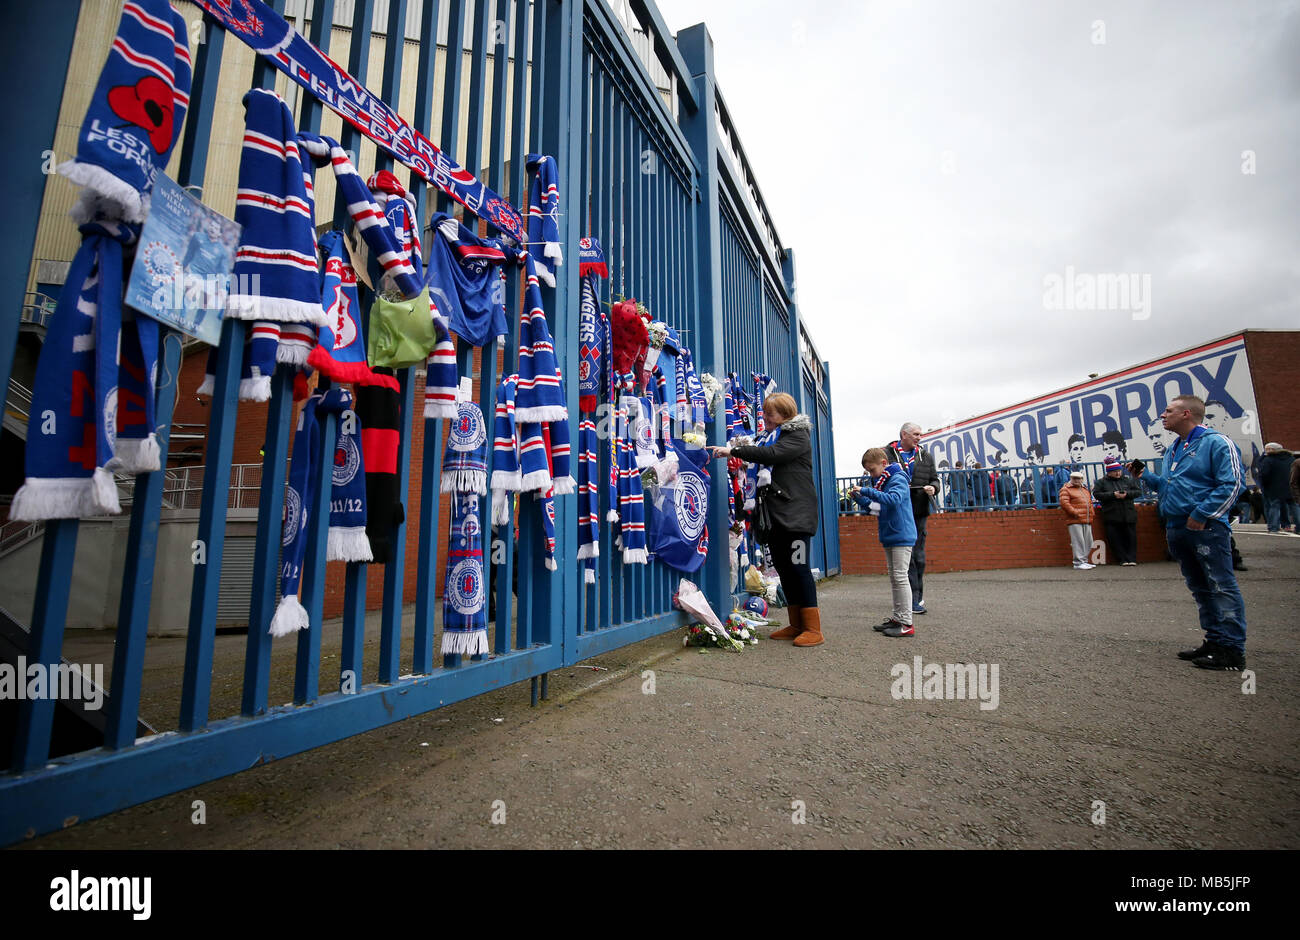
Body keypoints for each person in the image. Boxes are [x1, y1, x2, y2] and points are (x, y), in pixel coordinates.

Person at [1133, 394, 1247, 670]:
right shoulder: (1175, 448)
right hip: (1176, 526)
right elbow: (1170, 487)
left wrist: (1202, 514)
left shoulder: (1216, 443)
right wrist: (1146, 477)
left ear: (1186, 414)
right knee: (1200, 586)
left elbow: (1232, 484)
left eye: (1169, 410)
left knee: (1220, 584)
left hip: (1205, 528)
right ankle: (1215, 639)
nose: (1163, 415)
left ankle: (1232, 649)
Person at [709, 392, 823, 647]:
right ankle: (796, 624)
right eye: (764, 412)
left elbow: (770, 455)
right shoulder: (770, 437)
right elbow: (764, 452)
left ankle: (813, 629)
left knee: (799, 569)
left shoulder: (796, 436)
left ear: (785, 415)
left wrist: (733, 451)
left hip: (796, 518)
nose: (765, 417)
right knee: (784, 569)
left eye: (770, 413)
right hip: (778, 518)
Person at [850, 448, 917, 637]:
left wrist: (865, 490)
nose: (871, 474)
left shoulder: (898, 478)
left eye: (872, 470)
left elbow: (894, 500)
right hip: (892, 534)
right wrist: (861, 499)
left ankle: (906, 623)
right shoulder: (883, 482)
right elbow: (877, 509)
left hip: (901, 534)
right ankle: (898, 618)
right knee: (896, 578)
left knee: (900, 577)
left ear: (884, 463)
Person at [884, 422, 939, 615]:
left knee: (918, 556)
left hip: (919, 510)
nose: (919, 437)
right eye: (915, 434)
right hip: (898, 510)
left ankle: (917, 598)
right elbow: (878, 477)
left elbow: (934, 479)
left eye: (920, 434)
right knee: (902, 557)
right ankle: (910, 599)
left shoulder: (925, 455)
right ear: (904, 435)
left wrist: (934, 488)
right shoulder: (887, 454)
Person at [1093, 456, 1138, 565]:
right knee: (1115, 539)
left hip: (1128, 514)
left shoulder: (1127, 480)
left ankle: (1131, 558)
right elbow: (1097, 494)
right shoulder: (1101, 482)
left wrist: (1127, 495)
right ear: (1108, 472)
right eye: (1114, 472)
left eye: (1119, 471)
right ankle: (1121, 559)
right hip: (1111, 515)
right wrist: (1113, 495)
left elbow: (1137, 491)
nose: (1118, 473)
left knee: (1131, 537)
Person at [1059, 470, 1096, 569]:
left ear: (1082, 479)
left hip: (1086, 519)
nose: (1077, 480)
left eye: (1079, 478)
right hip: (1075, 519)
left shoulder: (1084, 489)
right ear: (1071, 478)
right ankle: (1078, 563)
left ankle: (1083, 560)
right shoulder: (1066, 489)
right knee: (1078, 541)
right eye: (1074, 478)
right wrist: (1075, 513)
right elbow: (1064, 503)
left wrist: (1092, 513)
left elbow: (1090, 503)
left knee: (1088, 541)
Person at [1258, 442, 1296, 533]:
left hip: (1273, 489)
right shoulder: (1291, 459)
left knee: (1274, 507)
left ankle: (1273, 527)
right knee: (1293, 507)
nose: (1267, 451)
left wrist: (1264, 485)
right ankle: (1292, 525)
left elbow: (1264, 474)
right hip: (1289, 488)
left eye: (1269, 449)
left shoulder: (1268, 460)